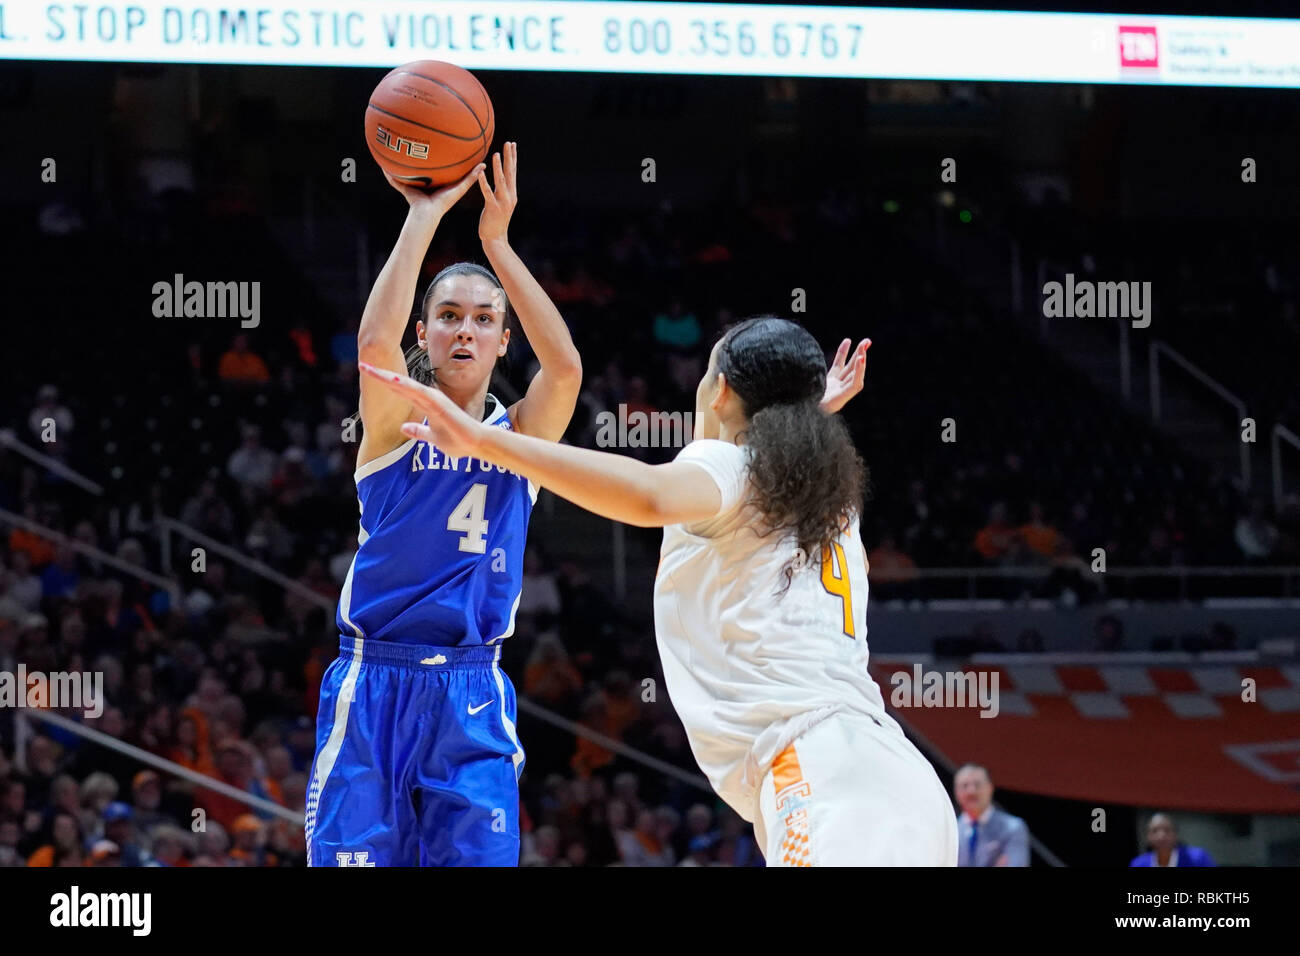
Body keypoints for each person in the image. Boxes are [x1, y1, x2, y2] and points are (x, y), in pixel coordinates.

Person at [362, 320, 955, 866]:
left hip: (824, 777)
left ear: (718, 390)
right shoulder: (821, 492)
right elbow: (745, 469)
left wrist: (484, 441)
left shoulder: (731, 470)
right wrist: (805, 404)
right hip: (896, 779)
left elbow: (649, 495)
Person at [306, 143, 582, 867]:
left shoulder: (520, 439)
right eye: (449, 316)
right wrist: (423, 213)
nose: (466, 330)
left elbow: (566, 367)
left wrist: (497, 243)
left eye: (484, 319)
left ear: (500, 339)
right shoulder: (396, 423)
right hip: (374, 680)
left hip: (472, 685)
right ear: (424, 333)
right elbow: (372, 341)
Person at [952, 763, 1030, 866]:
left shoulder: (1012, 828)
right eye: (964, 786)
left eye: (977, 784)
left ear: (990, 788)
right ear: (956, 791)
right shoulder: (953, 831)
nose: (971, 791)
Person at [1129, 812, 1216, 867]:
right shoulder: (1138, 864)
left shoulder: (1198, 858)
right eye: (1155, 831)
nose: (1161, 836)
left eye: (1167, 830)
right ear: (1147, 837)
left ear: (1176, 835)